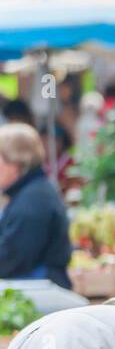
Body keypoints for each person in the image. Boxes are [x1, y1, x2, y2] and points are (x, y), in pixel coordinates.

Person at [0, 123, 71, 289]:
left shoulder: (32, 201)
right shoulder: (31, 191)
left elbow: (12, 259)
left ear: (16, 160)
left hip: (41, 288)